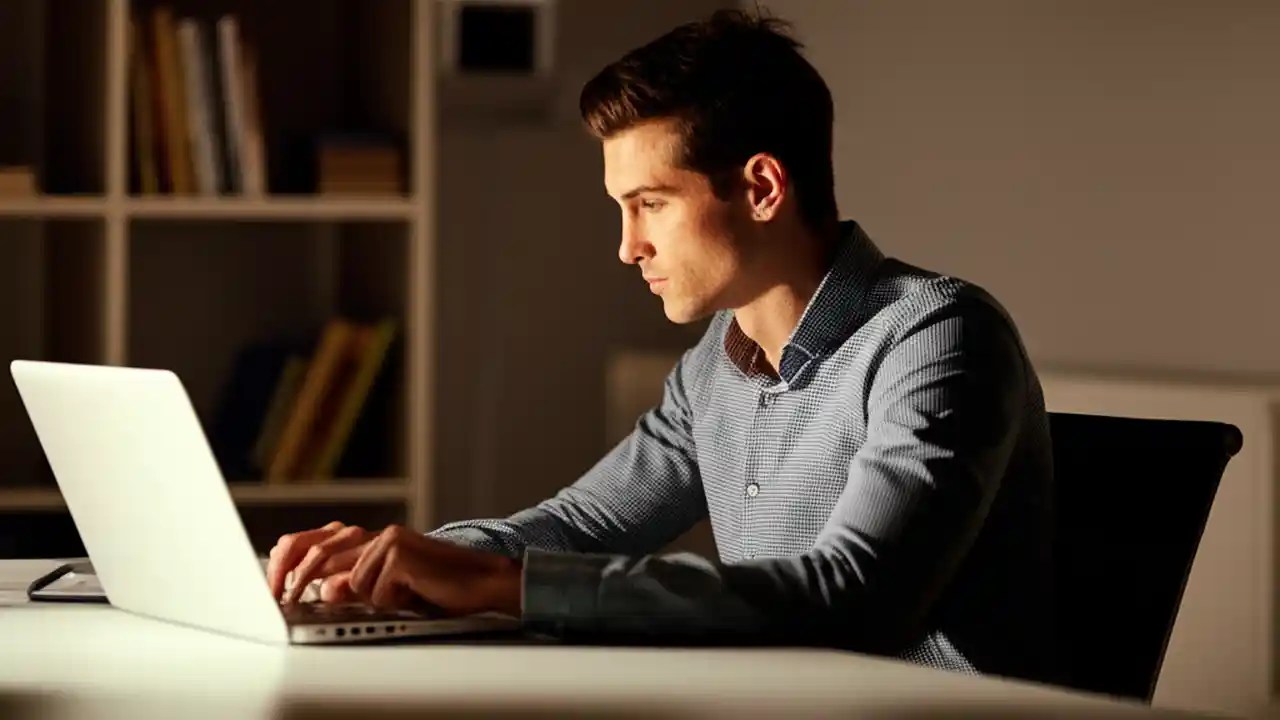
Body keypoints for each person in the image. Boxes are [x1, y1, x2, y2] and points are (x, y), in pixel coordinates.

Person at [267, 9, 1057, 682]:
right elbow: (579, 525)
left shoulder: (940, 337)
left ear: (761, 189)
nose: (627, 247)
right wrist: (387, 562)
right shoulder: (717, 364)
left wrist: (499, 584)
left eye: (648, 204)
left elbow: (854, 598)